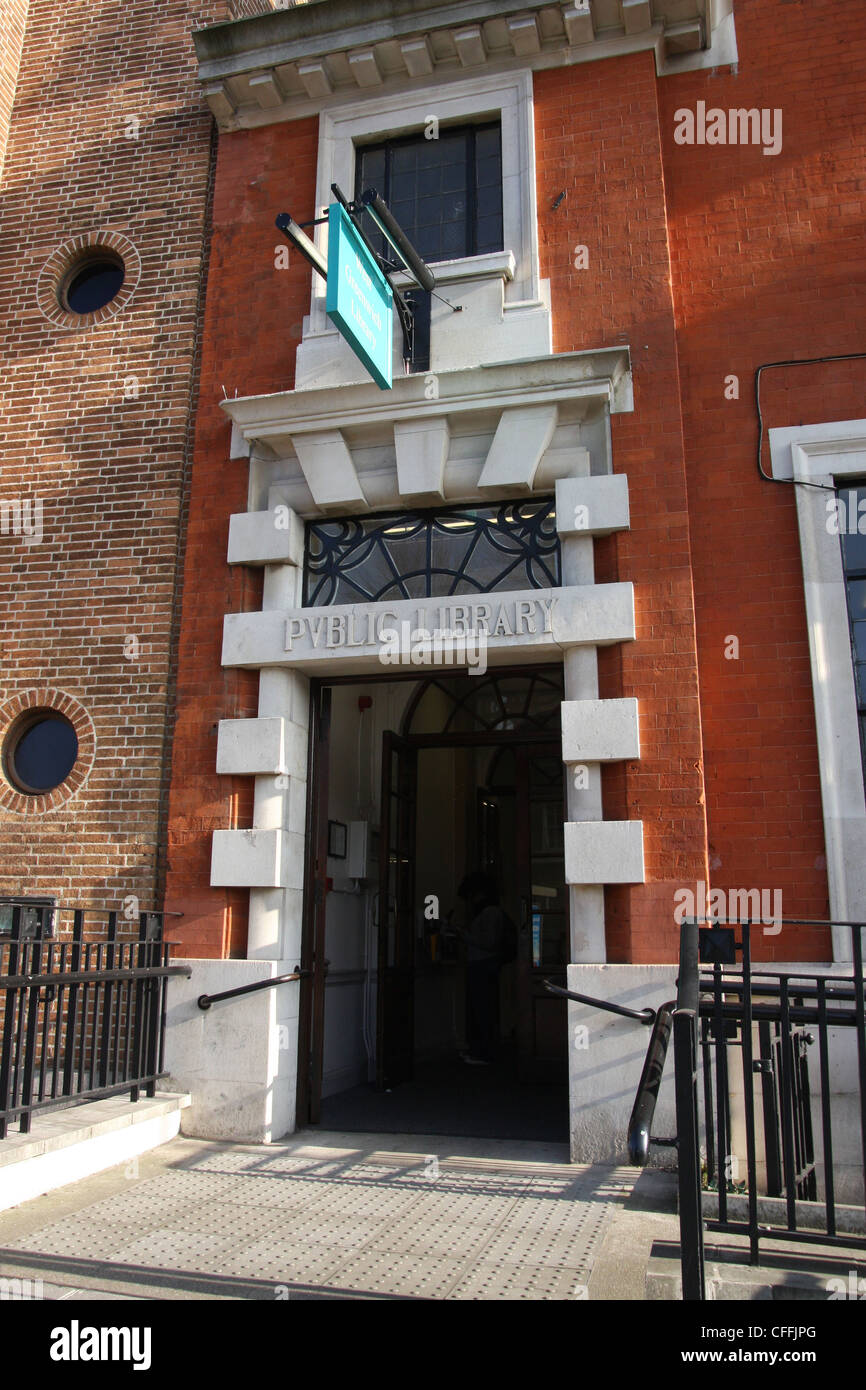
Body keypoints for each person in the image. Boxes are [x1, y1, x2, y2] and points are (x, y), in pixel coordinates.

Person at [455, 871, 506, 1066]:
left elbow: (489, 941)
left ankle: (485, 1052)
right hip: (485, 964)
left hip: (483, 964)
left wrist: (464, 935)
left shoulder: (490, 912)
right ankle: (483, 1050)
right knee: (483, 1008)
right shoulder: (491, 911)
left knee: (482, 1008)